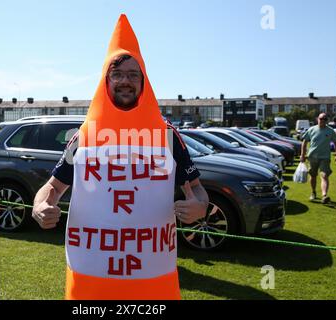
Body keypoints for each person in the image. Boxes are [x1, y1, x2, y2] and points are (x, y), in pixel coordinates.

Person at [32, 15, 208, 300]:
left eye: (133, 74)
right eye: (117, 74)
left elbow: (197, 190)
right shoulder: (84, 137)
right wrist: (40, 206)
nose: (125, 81)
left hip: (152, 283)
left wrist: (199, 207)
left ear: (143, 81)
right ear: (106, 80)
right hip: (91, 284)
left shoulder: (166, 135)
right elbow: (53, 187)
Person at [300, 113, 336, 203]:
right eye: (321, 118)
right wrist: (302, 154)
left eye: (325, 119)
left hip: (325, 157)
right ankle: (313, 192)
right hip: (312, 157)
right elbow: (304, 142)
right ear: (317, 119)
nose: (322, 120)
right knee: (313, 176)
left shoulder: (330, 131)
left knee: (324, 176)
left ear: (327, 121)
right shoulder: (311, 129)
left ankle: (324, 195)